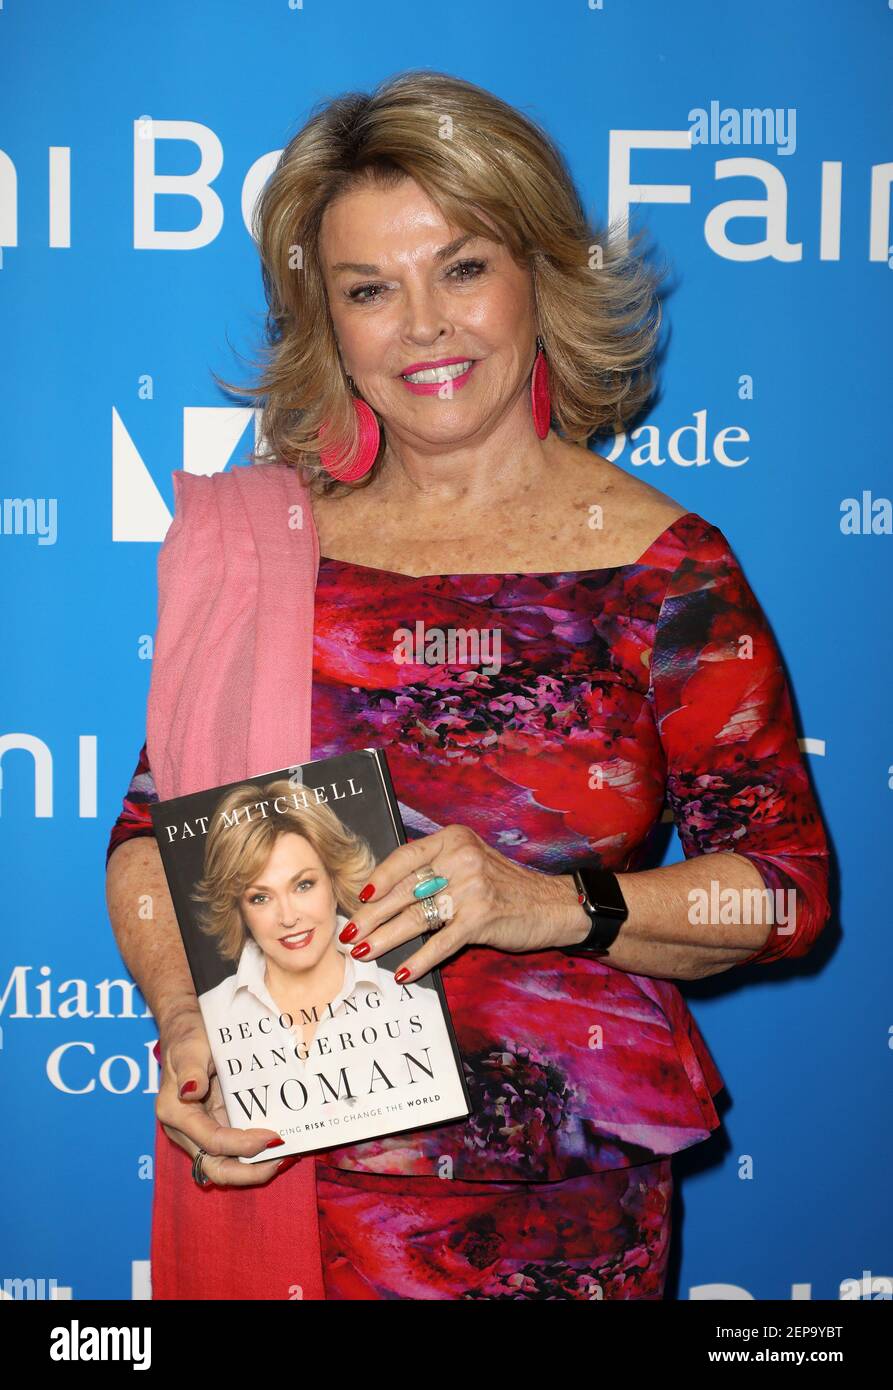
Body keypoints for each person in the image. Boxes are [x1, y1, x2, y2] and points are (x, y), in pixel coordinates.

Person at [105, 69, 831, 1301]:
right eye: (369, 290)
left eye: (462, 267)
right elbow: (149, 845)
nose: (424, 326)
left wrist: (548, 905)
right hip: (288, 1194)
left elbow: (779, 898)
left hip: (559, 1228)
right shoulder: (268, 546)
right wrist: (187, 1025)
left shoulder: (662, 567)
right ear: (326, 322)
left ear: (538, 274)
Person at [191, 780, 458, 1141]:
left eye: (303, 885)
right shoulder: (208, 1018)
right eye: (260, 898)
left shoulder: (424, 1012)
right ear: (237, 909)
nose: (288, 917)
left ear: (335, 878)